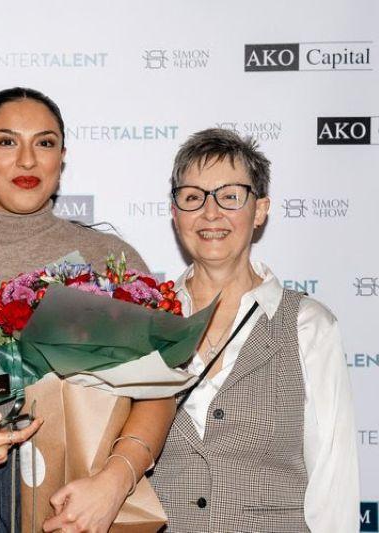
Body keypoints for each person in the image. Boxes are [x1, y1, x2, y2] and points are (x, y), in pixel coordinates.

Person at [0, 87, 176, 533]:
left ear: (62, 158)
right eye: (7, 142)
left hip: (90, 498)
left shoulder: (110, 258)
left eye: (44, 143)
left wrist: (115, 481)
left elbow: (157, 390)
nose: (27, 161)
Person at [150, 128, 359, 532]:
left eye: (230, 196)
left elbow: (334, 480)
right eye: (193, 197)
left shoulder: (309, 325)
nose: (211, 213)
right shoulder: (144, 320)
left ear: (260, 209)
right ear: (175, 214)